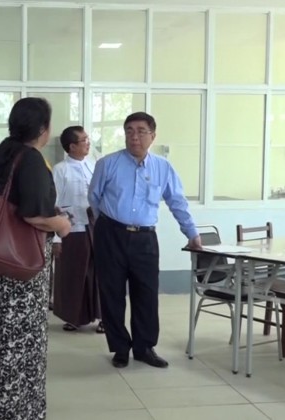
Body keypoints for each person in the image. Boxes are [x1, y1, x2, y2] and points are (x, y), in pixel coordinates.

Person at [0, 98, 72, 419]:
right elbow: (35, 215)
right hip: (18, 264)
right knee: (19, 338)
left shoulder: (3, 155)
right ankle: (17, 410)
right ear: (43, 129)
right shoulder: (31, 160)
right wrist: (62, 225)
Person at [88, 112, 202, 370]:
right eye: (129, 131)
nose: (134, 136)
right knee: (112, 293)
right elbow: (94, 198)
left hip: (145, 238)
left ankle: (144, 347)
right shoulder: (108, 163)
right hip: (111, 234)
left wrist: (192, 233)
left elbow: (177, 202)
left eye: (140, 131)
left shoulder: (163, 167)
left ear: (153, 135)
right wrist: (107, 226)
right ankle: (120, 347)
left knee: (147, 294)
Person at [52, 126, 103, 333]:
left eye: (87, 139)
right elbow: (53, 204)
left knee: (99, 274)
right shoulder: (60, 169)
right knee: (73, 274)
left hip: (95, 227)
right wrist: (56, 239)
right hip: (71, 229)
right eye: (83, 140)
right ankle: (73, 317)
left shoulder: (94, 166)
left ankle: (103, 318)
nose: (88, 143)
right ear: (71, 146)